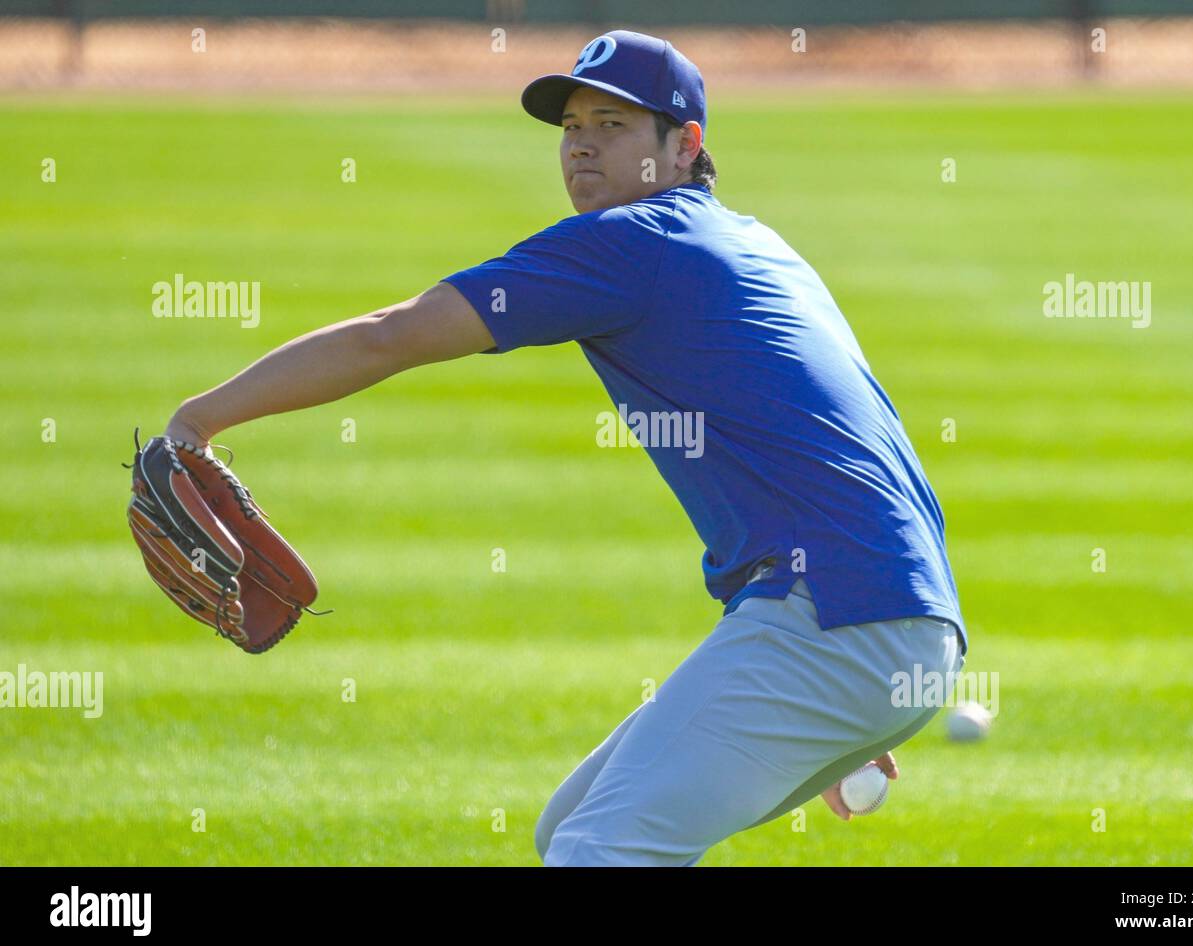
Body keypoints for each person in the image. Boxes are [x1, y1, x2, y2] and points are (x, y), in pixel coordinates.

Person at [164, 29, 967, 866]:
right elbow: (852, 436)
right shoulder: (759, 244)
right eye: (572, 124)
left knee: (600, 848)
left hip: (839, 617)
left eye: (614, 124)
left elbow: (388, 337)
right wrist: (876, 662)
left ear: (685, 144)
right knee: (571, 828)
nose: (581, 141)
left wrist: (200, 420)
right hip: (886, 617)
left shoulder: (632, 243)